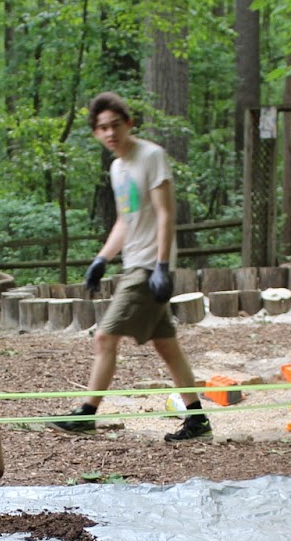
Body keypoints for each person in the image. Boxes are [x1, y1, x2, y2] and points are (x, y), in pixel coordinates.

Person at [50, 92, 210, 442]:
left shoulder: (151, 156)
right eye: (102, 128)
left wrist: (162, 266)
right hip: (133, 261)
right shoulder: (117, 167)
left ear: (129, 124)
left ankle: (87, 414)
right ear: (95, 133)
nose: (110, 133)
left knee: (105, 336)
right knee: (167, 346)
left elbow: (166, 213)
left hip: (148, 267)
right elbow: (126, 220)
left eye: (115, 125)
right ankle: (198, 420)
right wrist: (101, 260)